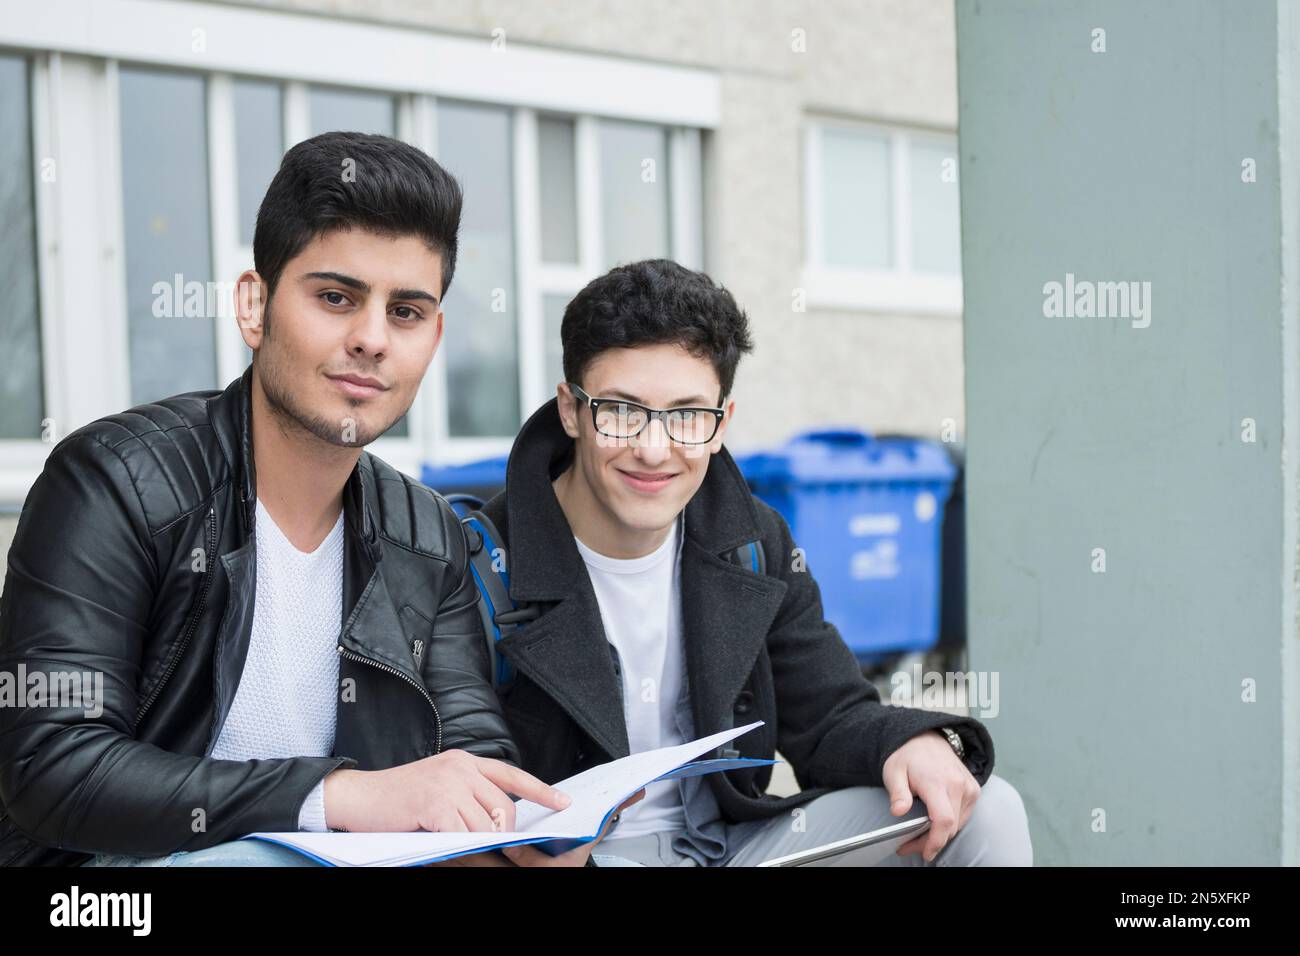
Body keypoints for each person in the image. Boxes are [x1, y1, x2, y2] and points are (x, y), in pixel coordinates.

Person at [0, 131, 596, 868]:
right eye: (336, 297)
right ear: (254, 307)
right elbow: (52, 767)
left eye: (405, 312)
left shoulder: (427, 532)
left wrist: (518, 829)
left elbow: (465, 747)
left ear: (433, 338)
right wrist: (340, 797)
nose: (372, 339)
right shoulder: (116, 482)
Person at [476, 259, 1034, 867]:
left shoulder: (752, 539)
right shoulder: (480, 558)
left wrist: (914, 740)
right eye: (621, 410)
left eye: (688, 415)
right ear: (570, 409)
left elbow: (830, 714)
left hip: (732, 848)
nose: (654, 449)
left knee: (985, 810)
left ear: (721, 425)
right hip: (574, 859)